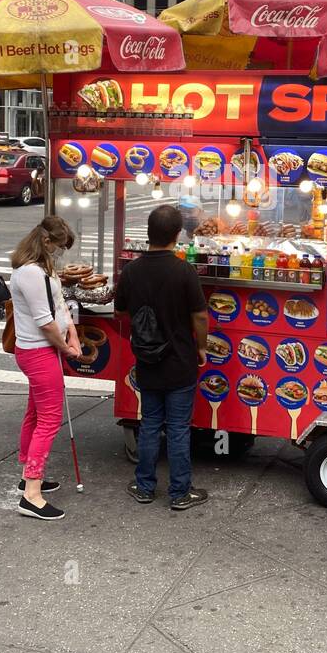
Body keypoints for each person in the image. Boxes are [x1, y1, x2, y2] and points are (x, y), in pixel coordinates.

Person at [115, 204, 210, 511]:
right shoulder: (184, 271)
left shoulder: (131, 271)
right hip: (180, 361)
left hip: (147, 361)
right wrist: (202, 347)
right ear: (177, 235)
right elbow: (200, 317)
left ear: (148, 233)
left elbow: (120, 311)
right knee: (179, 427)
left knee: (151, 423)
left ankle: (144, 487)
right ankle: (180, 492)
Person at [8, 215, 82, 521]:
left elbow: (59, 305)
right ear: (46, 241)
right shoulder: (29, 274)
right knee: (49, 419)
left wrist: (73, 333)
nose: (60, 254)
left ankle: (30, 475)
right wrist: (65, 347)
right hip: (38, 352)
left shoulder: (41, 268)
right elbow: (44, 320)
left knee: (37, 413)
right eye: (59, 248)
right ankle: (32, 494)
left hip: (42, 350)